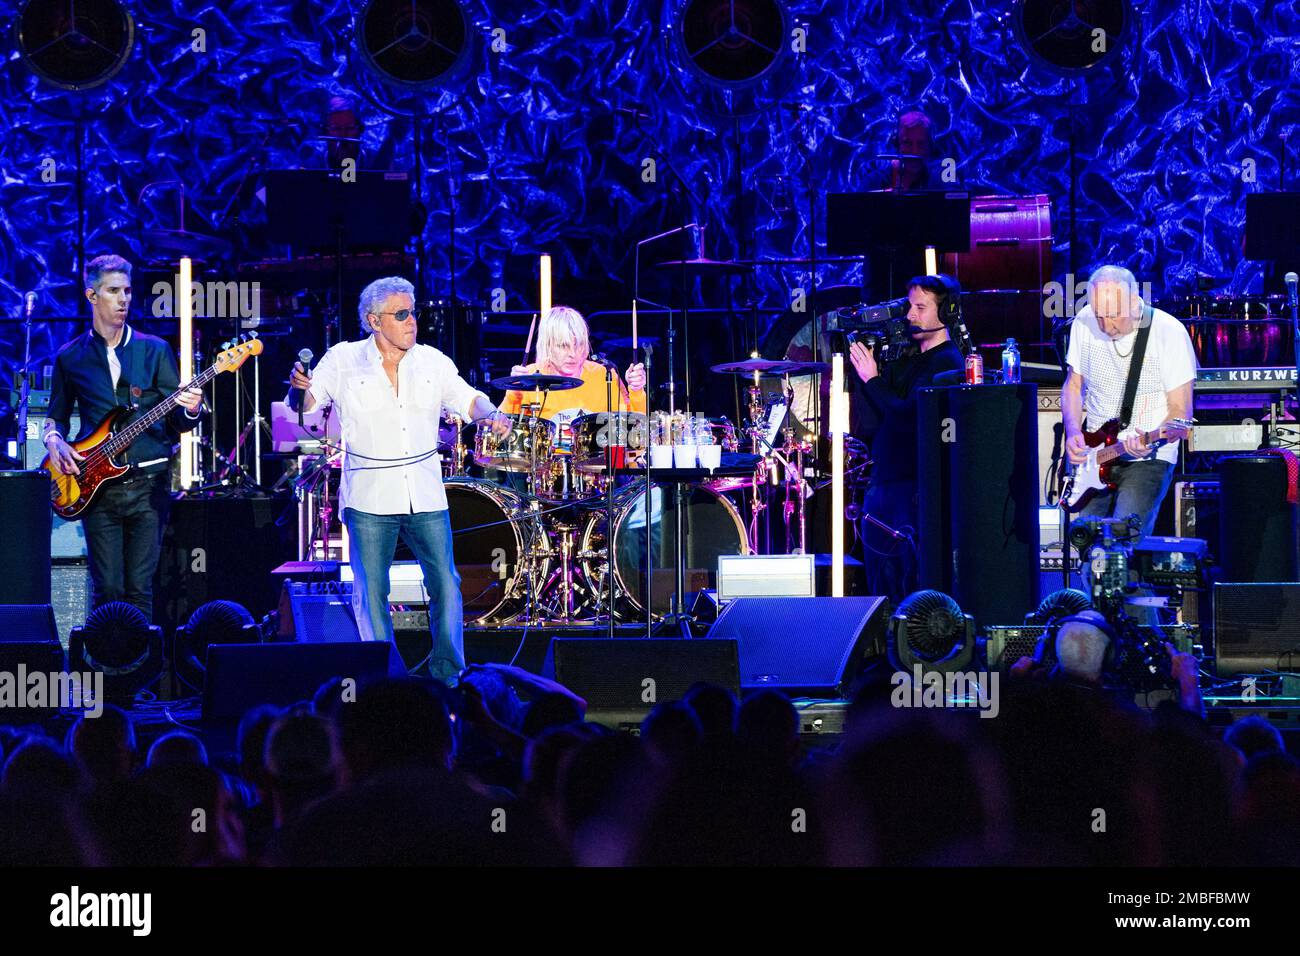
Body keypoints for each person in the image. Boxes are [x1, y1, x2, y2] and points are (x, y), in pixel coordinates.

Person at [288, 276, 511, 682]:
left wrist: (492, 413)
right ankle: (386, 682)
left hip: (424, 495)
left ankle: (449, 676)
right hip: (369, 499)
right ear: (374, 321)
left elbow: (468, 398)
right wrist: (298, 389)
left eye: (414, 312)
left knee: (446, 583)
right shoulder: (343, 359)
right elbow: (306, 405)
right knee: (372, 592)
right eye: (402, 314)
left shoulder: (432, 361)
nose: (412, 322)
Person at [43, 255, 203, 619]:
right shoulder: (70, 357)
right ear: (92, 295)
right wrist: (53, 441)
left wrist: (192, 409)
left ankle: (139, 657)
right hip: (96, 487)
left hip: (149, 484)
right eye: (113, 291)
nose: (123, 299)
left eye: (127, 291)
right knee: (108, 591)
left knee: (139, 590)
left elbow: (178, 421)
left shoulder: (154, 349)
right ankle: (106, 655)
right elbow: (56, 417)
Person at [848, 274, 965, 601]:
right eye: (909, 306)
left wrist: (872, 379)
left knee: (902, 581)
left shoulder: (946, 363)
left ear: (946, 312)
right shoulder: (912, 359)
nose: (910, 314)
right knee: (882, 581)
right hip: (889, 481)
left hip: (907, 488)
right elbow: (877, 413)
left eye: (920, 308)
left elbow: (906, 415)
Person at [1063, 264, 1197, 537]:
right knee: (1085, 541)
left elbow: (1180, 412)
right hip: (1094, 456)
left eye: (1113, 315)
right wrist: (1073, 431)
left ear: (1135, 302)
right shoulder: (1084, 321)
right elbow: (1073, 386)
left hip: (1149, 458)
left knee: (1124, 540)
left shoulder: (1168, 332)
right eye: (1099, 315)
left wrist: (1149, 440)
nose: (1105, 325)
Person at [499, 305, 647, 421]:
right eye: (563, 346)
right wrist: (514, 392)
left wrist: (637, 390)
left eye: (578, 345)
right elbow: (501, 428)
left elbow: (633, 427)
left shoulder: (604, 375)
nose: (572, 354)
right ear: (548, 345)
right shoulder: (529, 376)